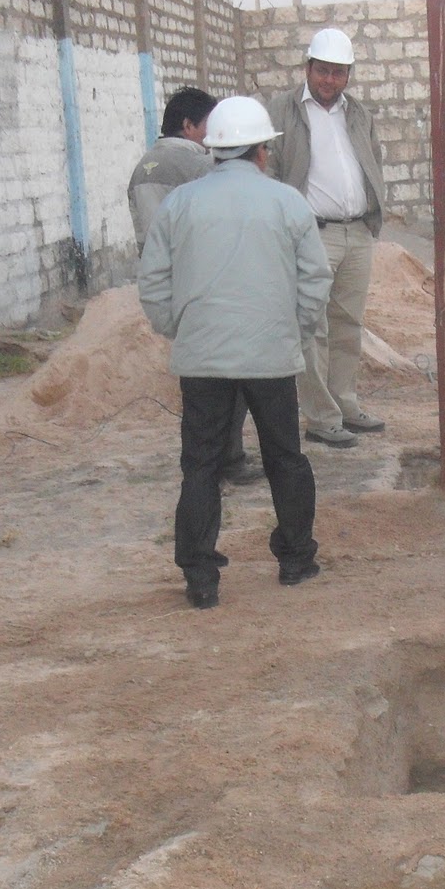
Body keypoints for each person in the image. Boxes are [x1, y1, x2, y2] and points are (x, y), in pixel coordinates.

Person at [138, 96, 332, 608]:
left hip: (202, 358)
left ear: (214, 149)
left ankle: (200, 577)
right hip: (271, 355)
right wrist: (297, 329)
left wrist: (175, 327)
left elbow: (153, 278)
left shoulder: (181, 203)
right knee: (285, 458)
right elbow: (315, 278)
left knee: (200, 465)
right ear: (263, 151)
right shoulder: (288, 202)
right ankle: (296, 559)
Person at [128, 86, 263, 486]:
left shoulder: (144, 165)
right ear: (188, 126)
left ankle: (206, 463)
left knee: (201, 388)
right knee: (234, 381)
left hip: (179, 289)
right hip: (214, 286)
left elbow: (151, 244)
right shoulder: (197, 165)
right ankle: (230, 460)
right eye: (209, 126)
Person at [266, 27, 388, 450]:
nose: (329, 81)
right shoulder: (282, 111)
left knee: (347, 325)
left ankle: (346, 405)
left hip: (357, 231)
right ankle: (321, 417)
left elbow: (372, 162)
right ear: (308, 68)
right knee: (312, 328)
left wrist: (374, 212)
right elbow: (270, 170)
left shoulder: (358, 114)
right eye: (323, 71)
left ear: (348, 75)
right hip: (311, 232)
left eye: (338, 73)